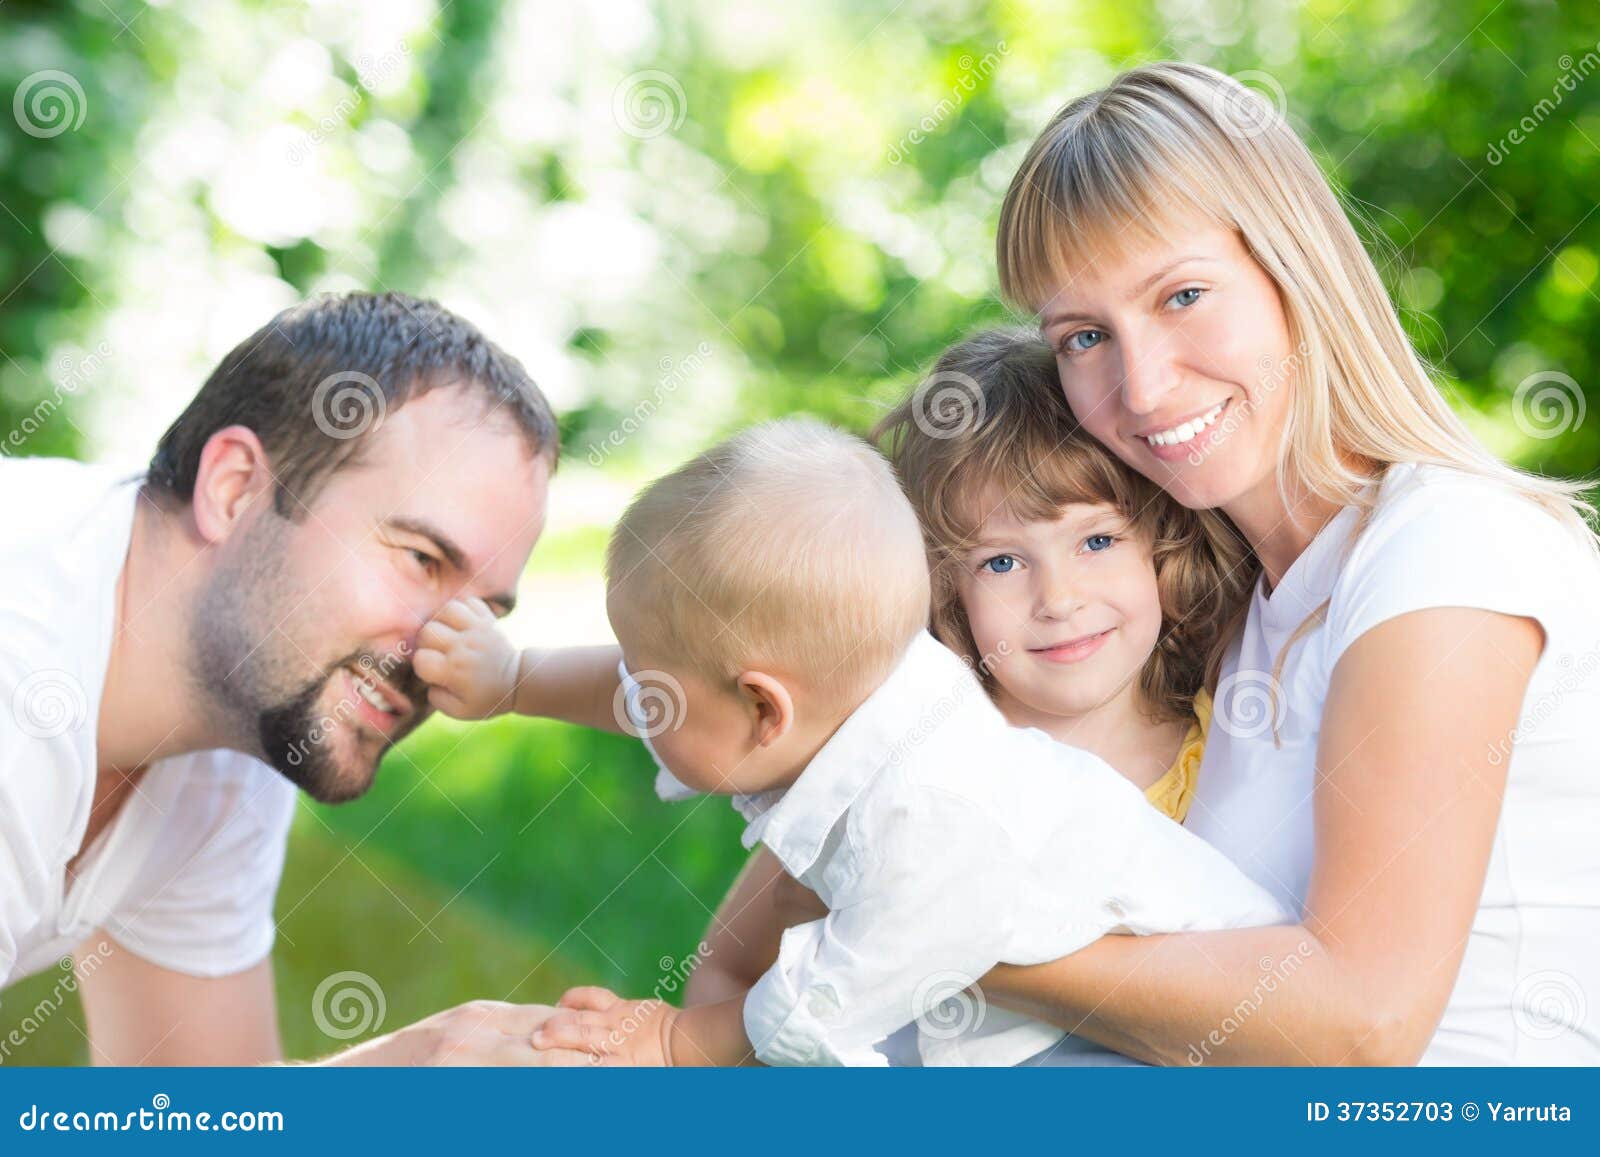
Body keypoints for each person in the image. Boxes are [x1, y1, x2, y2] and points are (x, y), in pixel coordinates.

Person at [957, 60, 1600, 1064]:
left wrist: (948, 937)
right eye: (1084, 335)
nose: (1142, 381)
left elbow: (1363, 1019)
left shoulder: (1445, 549)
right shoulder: (1229, 604)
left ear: (1293, 270)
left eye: (1181, 295)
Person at [415, 417, 1288, 1066]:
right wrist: (516, 679)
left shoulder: (927, 813)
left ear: (766, 711)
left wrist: (681, 1042)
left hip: (1206, 1063)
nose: (637, 699)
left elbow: (830, 999)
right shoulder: (867, 685)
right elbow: (675, 678)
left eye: (649, 690)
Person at [0, 291, 580, 1066]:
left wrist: (412, 1071)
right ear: (234, 487)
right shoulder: (22, 657)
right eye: (420, 559)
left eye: (483, 614)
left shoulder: (238, 722)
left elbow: (195, 1116)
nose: (446, 654)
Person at [676, 329, 1258, 1064]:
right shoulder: (914, 759)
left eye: (1097, 541)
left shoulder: (1230, 747)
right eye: (1004, 561)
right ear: (943, 584)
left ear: (1160, 539)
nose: (1060, 598)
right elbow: (728, 964)